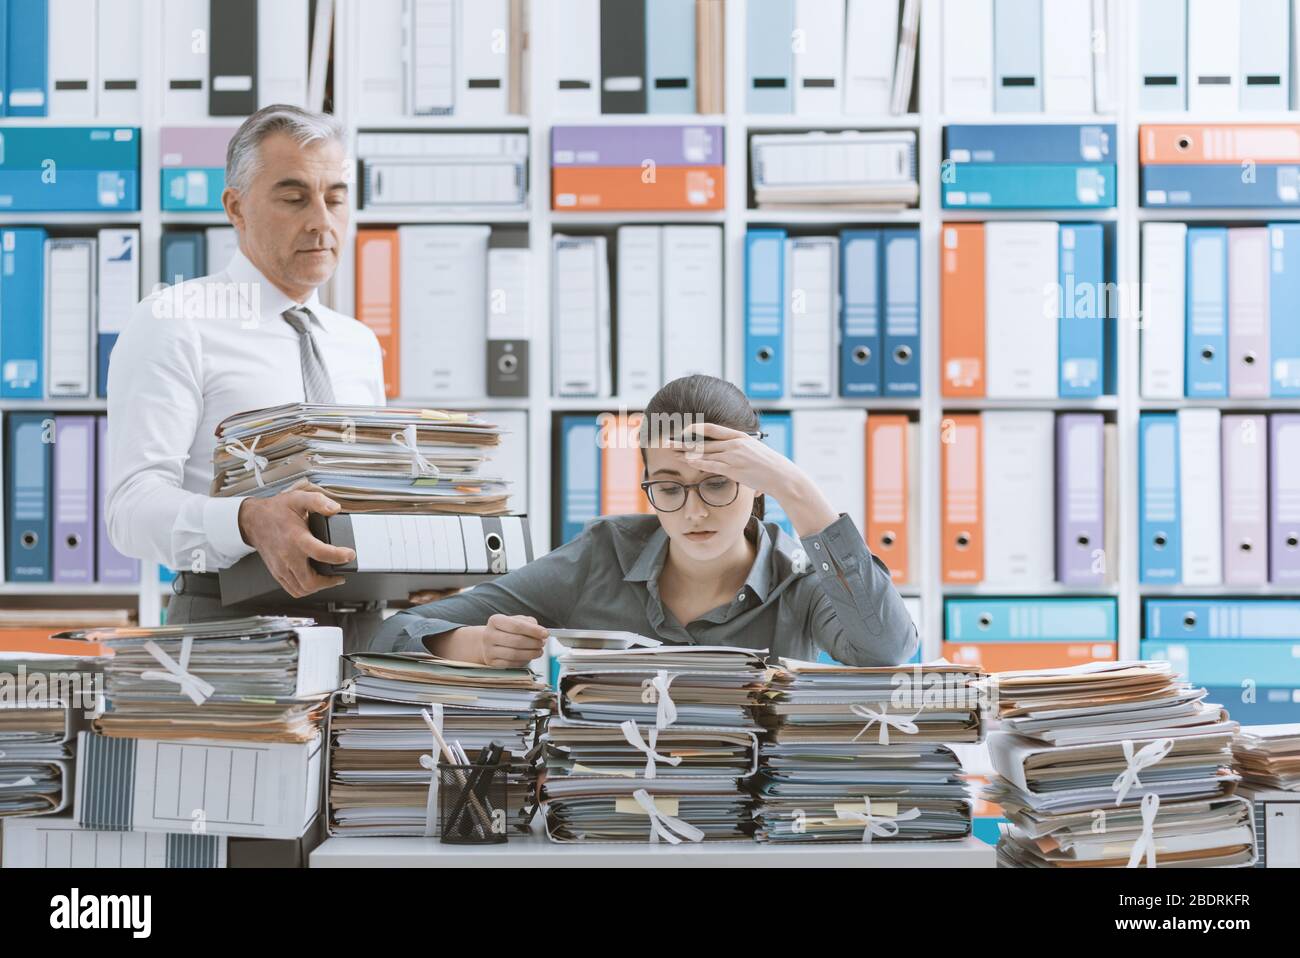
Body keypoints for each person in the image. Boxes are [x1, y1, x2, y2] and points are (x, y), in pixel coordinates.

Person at [105, 105, 440, 649]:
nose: (321, 221)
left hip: (365, 628)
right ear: (236, 208)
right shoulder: (174, 322)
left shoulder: (355, 342)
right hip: (232, 623)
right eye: (293, 198)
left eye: (335, 198)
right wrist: (247, 521)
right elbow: (129, 510)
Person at [372, 374, 918, 667]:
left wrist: (798, 489)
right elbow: (388, 635)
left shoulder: (799, 573)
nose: (694, 511)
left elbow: (886, 650)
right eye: (669, 487)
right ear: (646, 483)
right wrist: (468, 645)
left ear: (757, 482)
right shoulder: (602, 555)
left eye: (719, 482)